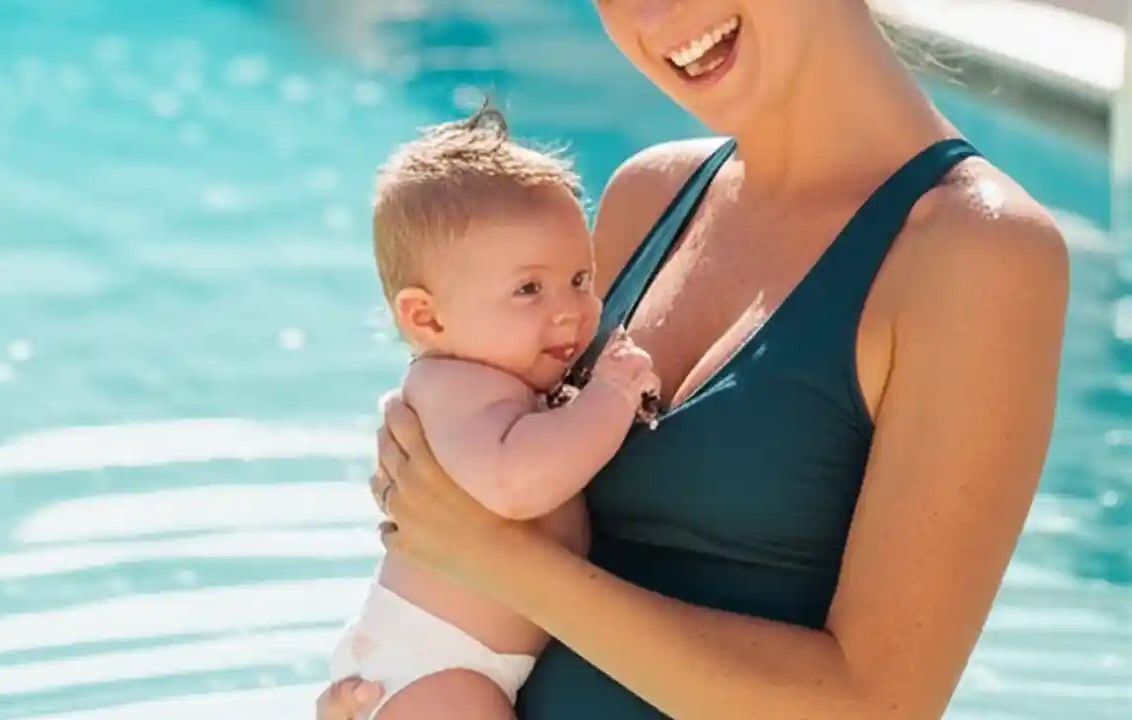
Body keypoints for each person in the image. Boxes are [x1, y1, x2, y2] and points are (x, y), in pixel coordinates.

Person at [319, 1, 1068, 717]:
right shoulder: (648, 197)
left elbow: (880, 707)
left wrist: (497, 559)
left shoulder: (977, 253)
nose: (650, 18)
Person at [330, 105, 660, 720]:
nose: (569, 311)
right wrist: (610, 398)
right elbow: (514, 484)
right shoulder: (454, 386)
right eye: (529, 289)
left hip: (448, 660)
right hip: (432, 667)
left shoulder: (504, 381)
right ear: (427, 318)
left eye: (580, 279)